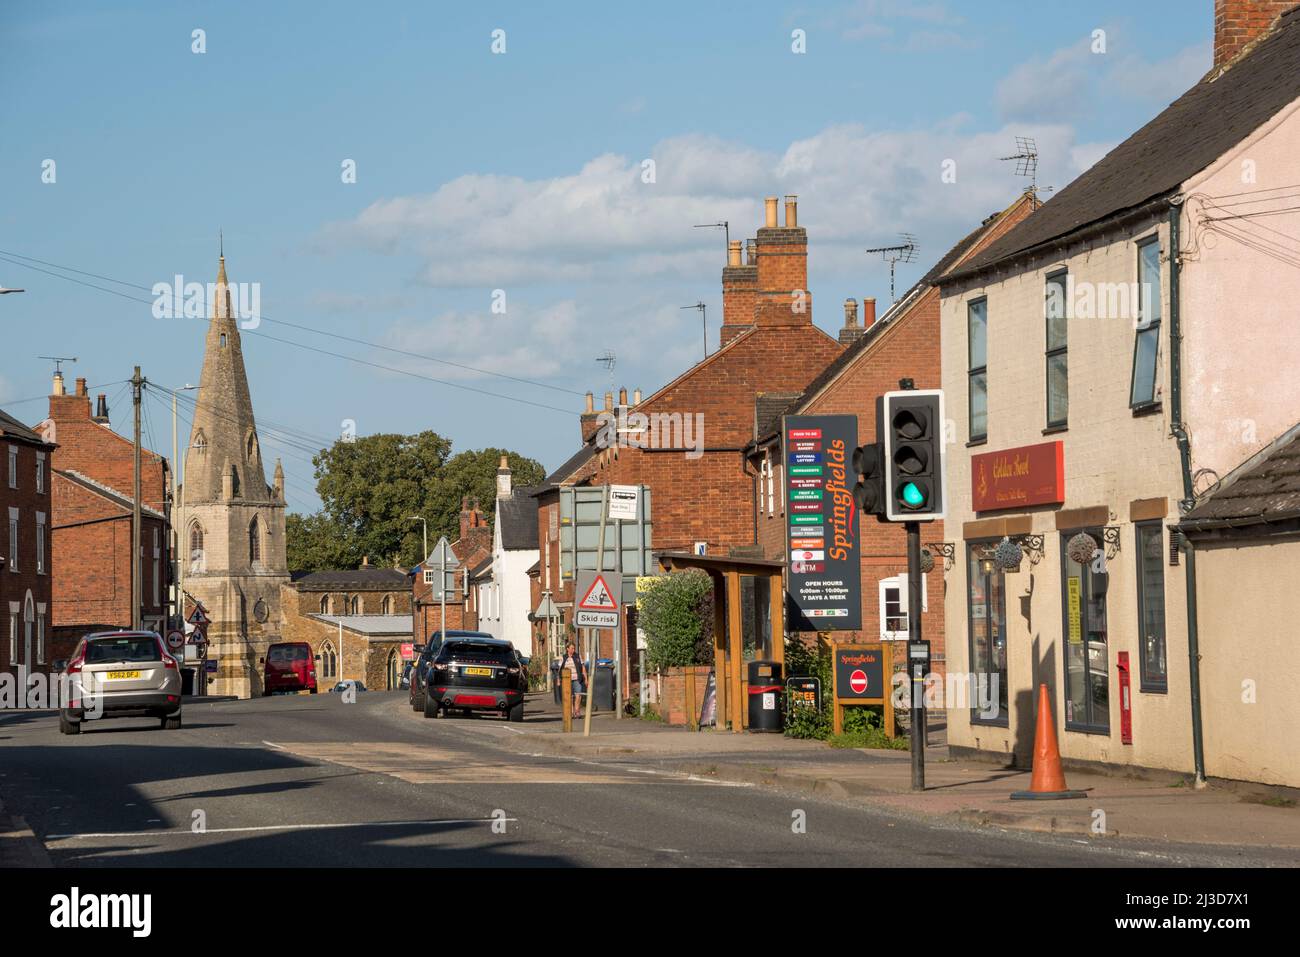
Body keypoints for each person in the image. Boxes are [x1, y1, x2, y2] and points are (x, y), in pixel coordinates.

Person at [560, 641, 586, 719]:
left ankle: (577, 711)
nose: (573, 650)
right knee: (569, 697)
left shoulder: (577, 656)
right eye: (572, 648)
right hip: (567, 680)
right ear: (567, 649)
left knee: (578, 695)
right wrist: (558, 679)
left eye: (574, 648)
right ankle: (570, 712)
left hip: (577, 679)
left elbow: (583, 668)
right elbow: (559, 669)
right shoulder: (564, 657)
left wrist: (586, 678)